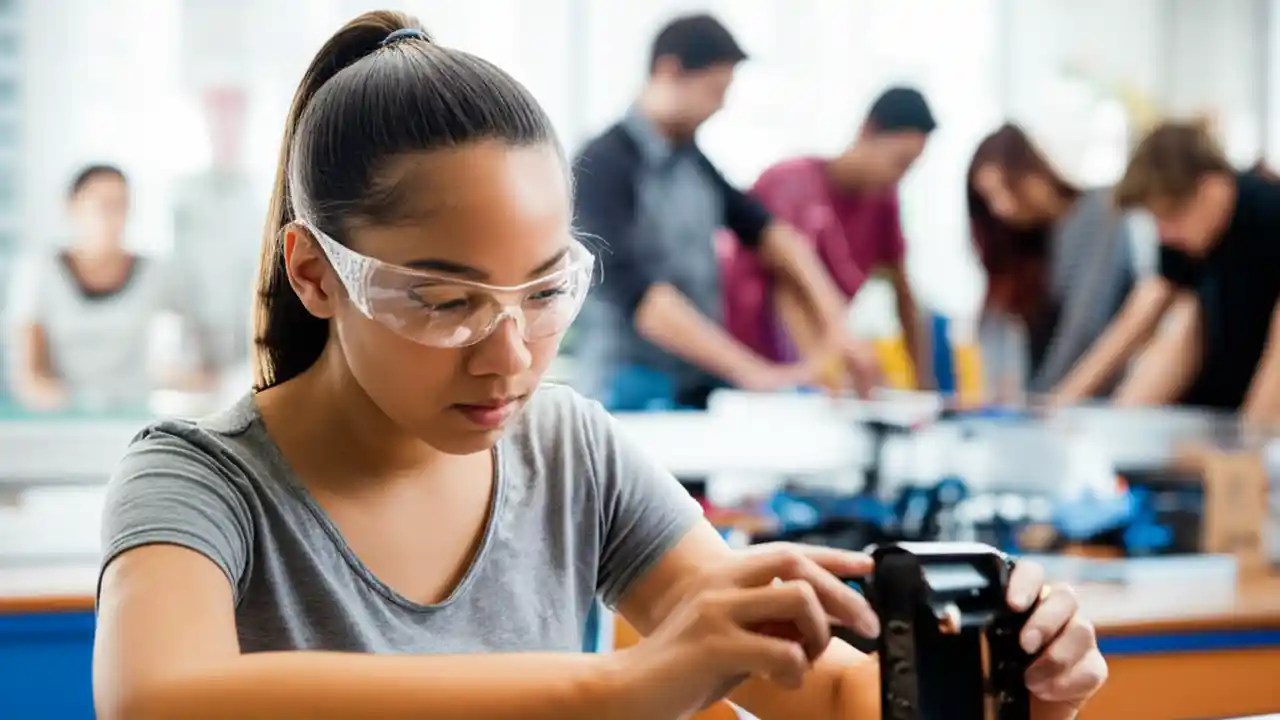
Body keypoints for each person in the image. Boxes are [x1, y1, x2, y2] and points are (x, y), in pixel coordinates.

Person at [92, 12, 1106, 720]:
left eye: (543, 294)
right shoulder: (198, 479)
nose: (510, 358)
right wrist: (618, 690)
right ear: (316, 273)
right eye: (445, 301)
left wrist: (1012, 685)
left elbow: (834, 698)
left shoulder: (568, 450)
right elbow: (160, 701)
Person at [573, 14, 876, 410]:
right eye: (715, 90)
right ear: (669, 71)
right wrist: (752, 371)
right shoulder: (604, 164)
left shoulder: (694, 164)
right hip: (624, 395)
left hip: (693, 390)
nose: (720, 106)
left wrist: (836, 323)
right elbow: (642, 299)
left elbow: (771, 234)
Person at [1055, 122, 1280, 422]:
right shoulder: (1187, 236)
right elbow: (1140, 313)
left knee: (1188, 316)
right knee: (1186, 317)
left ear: (1211, 186)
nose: (1164, 235)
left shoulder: (1269, 211)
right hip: (1219, 397)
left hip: (1264, 406)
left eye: (1169, 217)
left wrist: (1249, 444)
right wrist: (1062, 403)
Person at [722, 87, 935, 388]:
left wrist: (922, 388)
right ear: (866, 131)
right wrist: (825, 377)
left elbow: (903, 294)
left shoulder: (883, 204)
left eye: (911, 168)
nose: (899, 177)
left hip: (816, 366)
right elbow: (788, 290)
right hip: (752, 365)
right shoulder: (790, 182)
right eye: (899, 162)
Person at [968, 123, 1152, 401]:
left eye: (1005, 190)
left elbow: (1084, 324)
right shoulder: (1027, 247)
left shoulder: (1101, 212)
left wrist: (1043, 400)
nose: (1000, 208)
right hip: (1047, 407)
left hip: (1100, 401)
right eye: (989, 200)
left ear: (1031, 172)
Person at [3, 165, 208, 412]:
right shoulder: (39, 272)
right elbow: (29, 374)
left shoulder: (156, 273)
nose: (113, 216)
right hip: (59, 418)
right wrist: (72, 404)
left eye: (121, 205)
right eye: (102, 204)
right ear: (72, 207)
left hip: (136, 415)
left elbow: (193, 343)